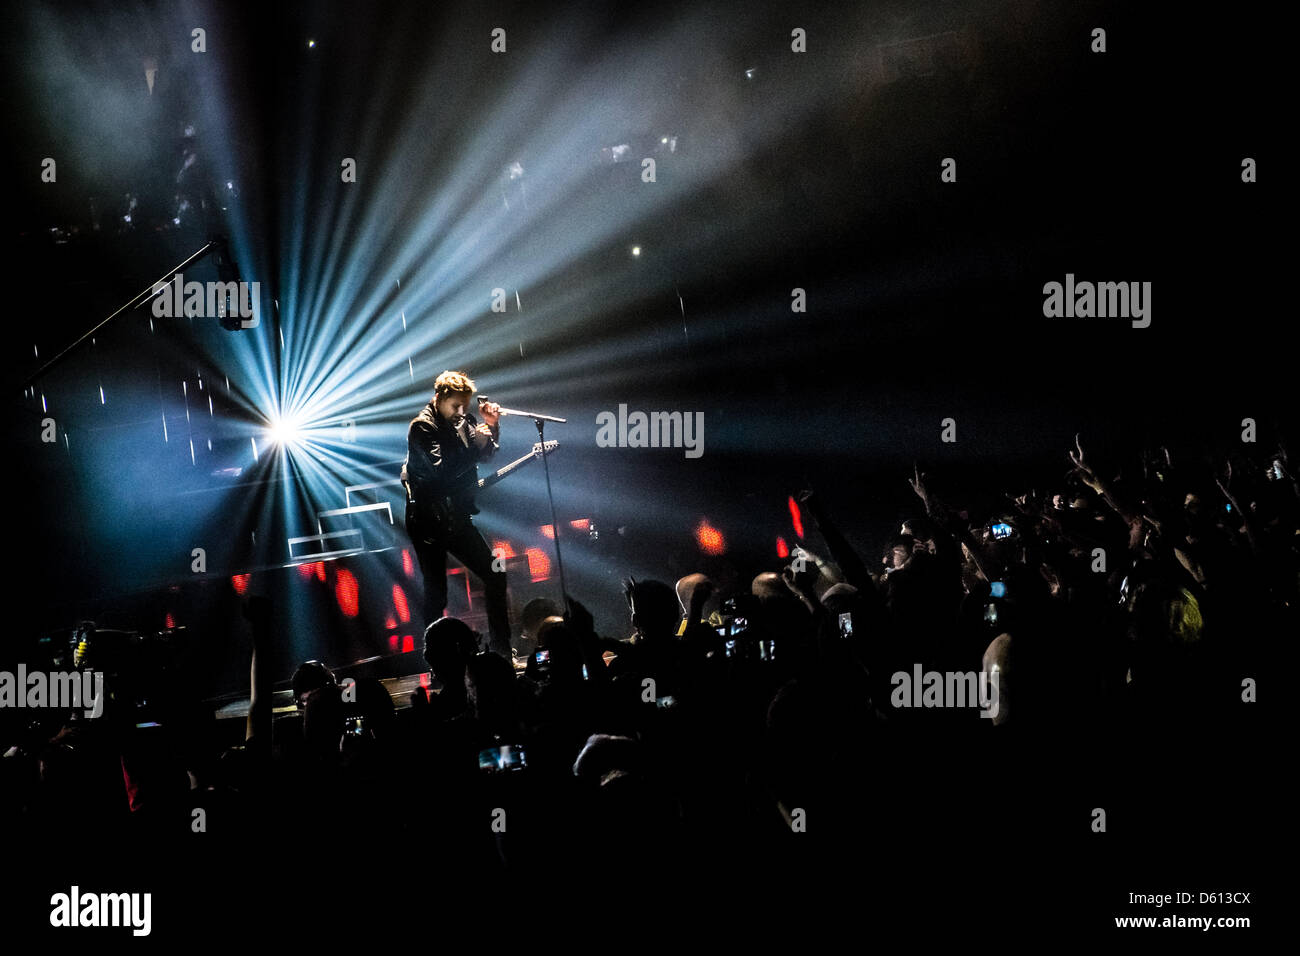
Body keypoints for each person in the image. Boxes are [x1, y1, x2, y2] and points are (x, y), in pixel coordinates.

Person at [401, 370, 512, 657]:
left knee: (495, 574)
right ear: (439, 398)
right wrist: (474, 449)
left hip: (457, 517)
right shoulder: (422, 428)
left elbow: (485, 454)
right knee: (436, 593)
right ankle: (439, 661)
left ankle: (501, 651)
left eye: (465, 406)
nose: (461, 412)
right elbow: (440, 473)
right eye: (455, 406)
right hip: (428, 521)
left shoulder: (464, 421)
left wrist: (492, 427)